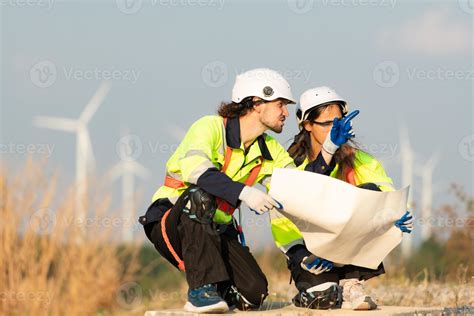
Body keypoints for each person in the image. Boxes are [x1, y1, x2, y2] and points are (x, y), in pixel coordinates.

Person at [139, 68, 302, 313]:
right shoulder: (210, 128)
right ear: (257, 103)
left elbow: (299, 188)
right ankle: (200, 292)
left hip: (215, 230)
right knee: (200, 197)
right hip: (171, 221)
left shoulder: (271, 149)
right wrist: (244, 193)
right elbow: (196, 171)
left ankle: (218, 290)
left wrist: (328, 152)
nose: (286, 113)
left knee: (253, 293)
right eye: (281, 104)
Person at [270, 86, 414, 310]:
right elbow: (284, 214)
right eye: (326, 123)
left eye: (338, 122)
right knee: (323, 299)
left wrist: (398, 214)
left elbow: (386, 193)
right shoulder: (290, 165)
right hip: (312, 252)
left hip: (350, 249)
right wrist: (300, 254)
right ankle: (314, 293)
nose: (334, 128)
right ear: (307, 125)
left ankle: (350, 283)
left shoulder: (361, 160)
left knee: (369, 190)